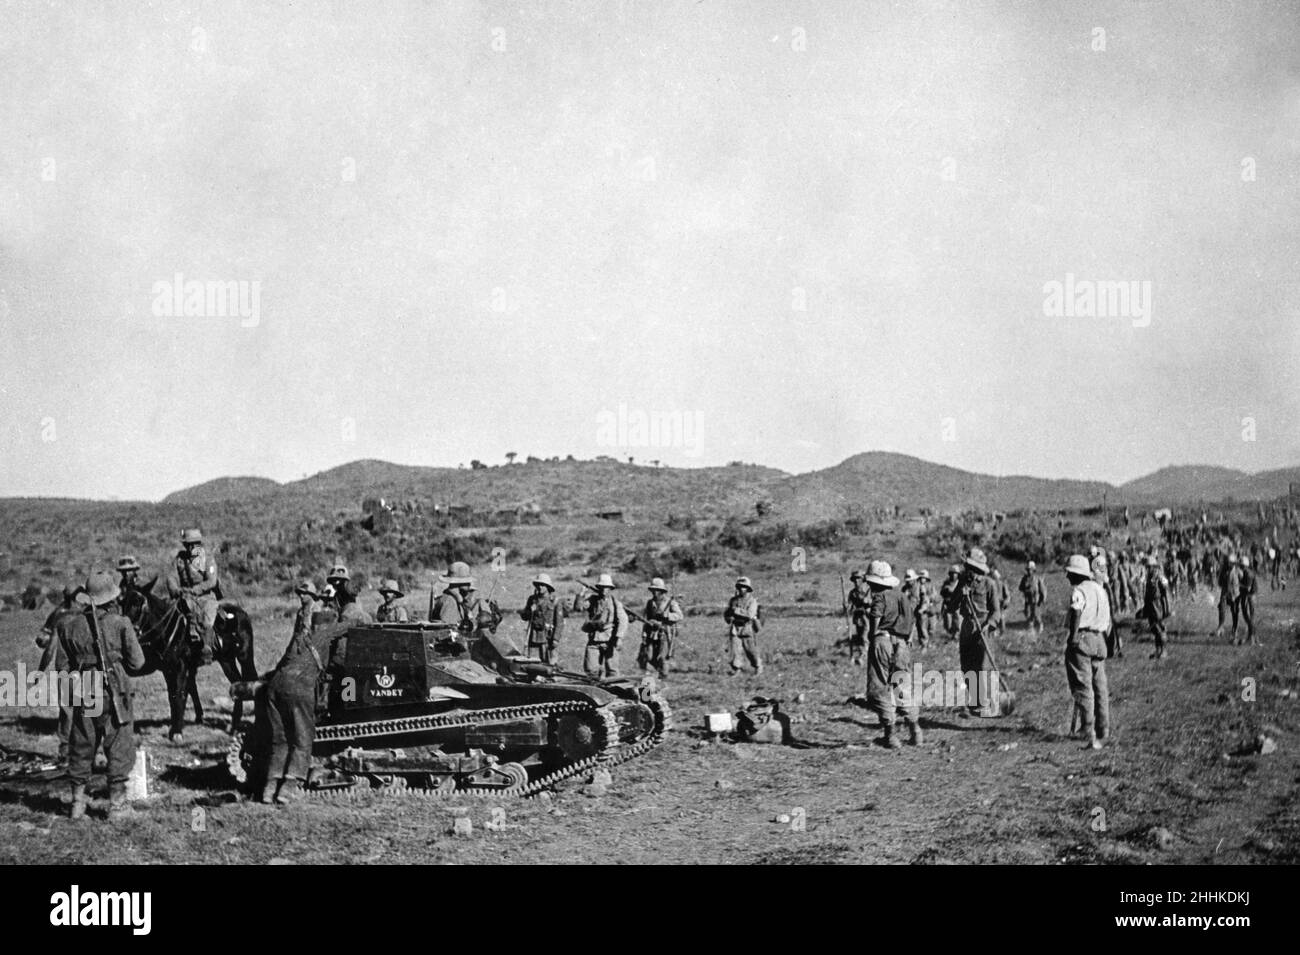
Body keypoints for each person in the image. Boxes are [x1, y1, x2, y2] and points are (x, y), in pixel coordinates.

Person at [55, 570, 145, 820]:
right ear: (111, 598)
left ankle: (77, 804)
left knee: (81, 742)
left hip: (84, 689)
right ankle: (117, 806)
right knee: (118, 743)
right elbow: (138, 663)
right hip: (115, 689)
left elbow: (61, 667)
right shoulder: (121, 623)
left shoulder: (68, 626)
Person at [259, 618, 345, 805]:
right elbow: (346, 626)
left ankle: (269, 788)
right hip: (299, 686)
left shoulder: (299, 638)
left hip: (275, 687)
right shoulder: (324, 635)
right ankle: (288, 787)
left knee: (279, 739)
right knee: (302, 738)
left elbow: (281, 664)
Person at [863, 561, 922, 748]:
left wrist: (872, 640)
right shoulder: (903, 597)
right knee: (902, 686)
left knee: (879, 687)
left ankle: (890, 736)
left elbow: (874, 628)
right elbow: (911, 621)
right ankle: (916, 732)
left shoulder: (880, 597)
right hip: (902, 645)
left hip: (883, 642)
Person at [1063, 554, 1111, 750]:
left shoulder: (1079, 590)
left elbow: (1076, 611)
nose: (1067, 577)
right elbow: (1108, 622)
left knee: (1083, 687)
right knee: (1100, 688)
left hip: (1083, 639)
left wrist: (1073, 637)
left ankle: (1087, 728)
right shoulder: (1100, 590)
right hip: (1099, 641)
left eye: (1069, 574)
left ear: (1075, 574)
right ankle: (1103, 729)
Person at [35, 583, 85, 769]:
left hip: (65, 670)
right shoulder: (86, 614)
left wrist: (40, 671)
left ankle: (65, 752)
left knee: (67, 711)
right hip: (85, 669)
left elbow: (49, 650)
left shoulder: (59, 616)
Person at [955, 548, 1000, 717]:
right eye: (969, 568)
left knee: (982, 667)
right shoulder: (962, 582)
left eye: (974, 569)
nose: (971, 572)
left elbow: (996, 611)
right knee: (967, 666)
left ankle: (986, 704)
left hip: (983, 627)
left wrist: (989, 624)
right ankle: (975, 703)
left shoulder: (989, 584)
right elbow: (951, 606)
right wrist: (960, 593)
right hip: (967, 626)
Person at [166, 528, 219, 664]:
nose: (191, 547)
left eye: (194, 544)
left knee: (207, 619)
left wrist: (196, 590)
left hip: (205, 597)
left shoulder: (207, 558)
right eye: (188, 544)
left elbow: (211, 581)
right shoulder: (179, 559)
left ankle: (207, 648)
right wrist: (176, 590)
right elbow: (171, 577)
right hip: (184, 596)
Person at [581, 573, 627, 678]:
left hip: (609, 640)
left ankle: (614, 692)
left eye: (606, 588)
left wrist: (619, 638)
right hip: (594, 640)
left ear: (610, 589)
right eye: (601, 587)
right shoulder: (592, 600)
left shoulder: (615, 603)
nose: (603, 590)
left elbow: (623, 620)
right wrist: (581, 594)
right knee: (591, 670)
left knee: (612, 671)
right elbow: (579, 607)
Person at [638, 577, 684, 678]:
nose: (654, 592)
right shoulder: (650, 603)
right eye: (653, 590)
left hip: (665, 632)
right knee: (648, 655)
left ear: (661, 591)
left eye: (657, 590)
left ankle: (663, 676)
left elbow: (679, 616)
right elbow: (647, 619)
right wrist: (644, 633)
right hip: (651, 632)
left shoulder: (670, 602)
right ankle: (654, 672)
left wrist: (667, 616)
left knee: (663, 657)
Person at [519, 573, 565, 664]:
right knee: (533, 662)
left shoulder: (555, 601)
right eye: (538, 585)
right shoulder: (532, 599)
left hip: (548, 636)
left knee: (550, 662)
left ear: (548, 587)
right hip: (534, 636)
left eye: (542, 585)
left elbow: (559, 623)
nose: (540, 587)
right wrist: (530, 611)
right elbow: (524, 617)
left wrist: (556, 638)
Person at [724, 576, 763, 675]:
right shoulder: (733, 600)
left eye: (744, 587)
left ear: (748, 589)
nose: (741, 589)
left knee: (750, 650)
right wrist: (728, 617)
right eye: (740, 586)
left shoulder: (752, 601)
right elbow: (727, 613)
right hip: (735, 628)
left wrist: (736, 611)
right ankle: (737, 669)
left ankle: (758, 666)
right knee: (735, 650)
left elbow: (750, 614)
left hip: (747, 628)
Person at [429, 561, 475, 638]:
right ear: (459, 583)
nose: (470, 585)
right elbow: (448, 632)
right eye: (467, 582)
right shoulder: (450, 601)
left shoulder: (455, 599)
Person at [1139, 555, 1171, 660]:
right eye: (1147, 566)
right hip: (1150, 606)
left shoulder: (1160, 577)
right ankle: (1158, 651)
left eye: (1149, 566)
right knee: (1154, 628)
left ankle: (1164, 651)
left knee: (1160, 629)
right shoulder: (1150, 577)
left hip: (1158, 607)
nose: (1147, 568)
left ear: (1154, 566)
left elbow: (1166, 594)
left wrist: (1167, 609)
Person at [1214, 554, 1242, 641]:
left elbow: (1242, 580)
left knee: (1235, 611)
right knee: (1221, 609)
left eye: (1232, 563)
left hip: (1235, 594)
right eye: (1229, 563)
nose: (1230, 564)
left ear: (1234, 563)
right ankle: (1220, 627)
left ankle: (1235, 629)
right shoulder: (1224, 570)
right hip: (1225, 593)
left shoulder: (1238, 571)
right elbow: (1219, 582)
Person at [846, 570, 869, 665]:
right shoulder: (852, 593)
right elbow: (850, 606)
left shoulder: (868, 590)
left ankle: (863, 655)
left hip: (867, 618)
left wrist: (867, 602)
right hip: (858, 618)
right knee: (860, 637)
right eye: (855, 579)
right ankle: (860, 656)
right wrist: (847, 607)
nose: (856, 581)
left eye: (858, 579)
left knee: (865, 637)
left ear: (862, 579)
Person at [1237, 555, 1260, 647]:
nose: (1239, 566)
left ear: (1244, 565)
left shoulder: (1247, 574)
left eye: (1240, 565)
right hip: (1250, 597)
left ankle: (1252, 638)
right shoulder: (1248, 572)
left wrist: (1237, 585)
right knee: (1250, 618)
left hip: (1249, 597)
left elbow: (1247, 588)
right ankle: (1253, 637)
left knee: (1250, 618)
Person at [1019, 561, 1046, 632]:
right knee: (1027, 613)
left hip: (1036, 600)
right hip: (1027, 600)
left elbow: (1042, 590)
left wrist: (1042, 600)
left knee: (1036, 614)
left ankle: (1039, 627)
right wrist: (1026, 589)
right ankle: (1031, 629)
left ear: (1033, 570)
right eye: (1027, 569)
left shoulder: (1037, 579)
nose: (1028, 571)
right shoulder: (1024, 579)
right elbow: (1020, 588)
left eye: (1030, 569)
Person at [939, 565, 962, 639]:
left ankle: (956, 635)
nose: (953, 575)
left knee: (957, 620)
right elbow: (941, 593)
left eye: (955, 573)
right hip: (948, 604)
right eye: (952, 573)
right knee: (947, 622)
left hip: (957, 604)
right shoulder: (947, 582)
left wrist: (952, 591)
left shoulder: (960, 583)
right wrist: (946, 590)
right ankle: (950, 633)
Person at [914, 569, 935, 650]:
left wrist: (929, 599)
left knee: (930, 628)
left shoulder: (930, 586)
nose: (922, 579)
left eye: (924, 578)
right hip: (921, 610)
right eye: (921, 578)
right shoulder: (917, 586)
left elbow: (934, 596)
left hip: (929, 609)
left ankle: (928, 643)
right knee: (921, 627)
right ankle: (923, 644)